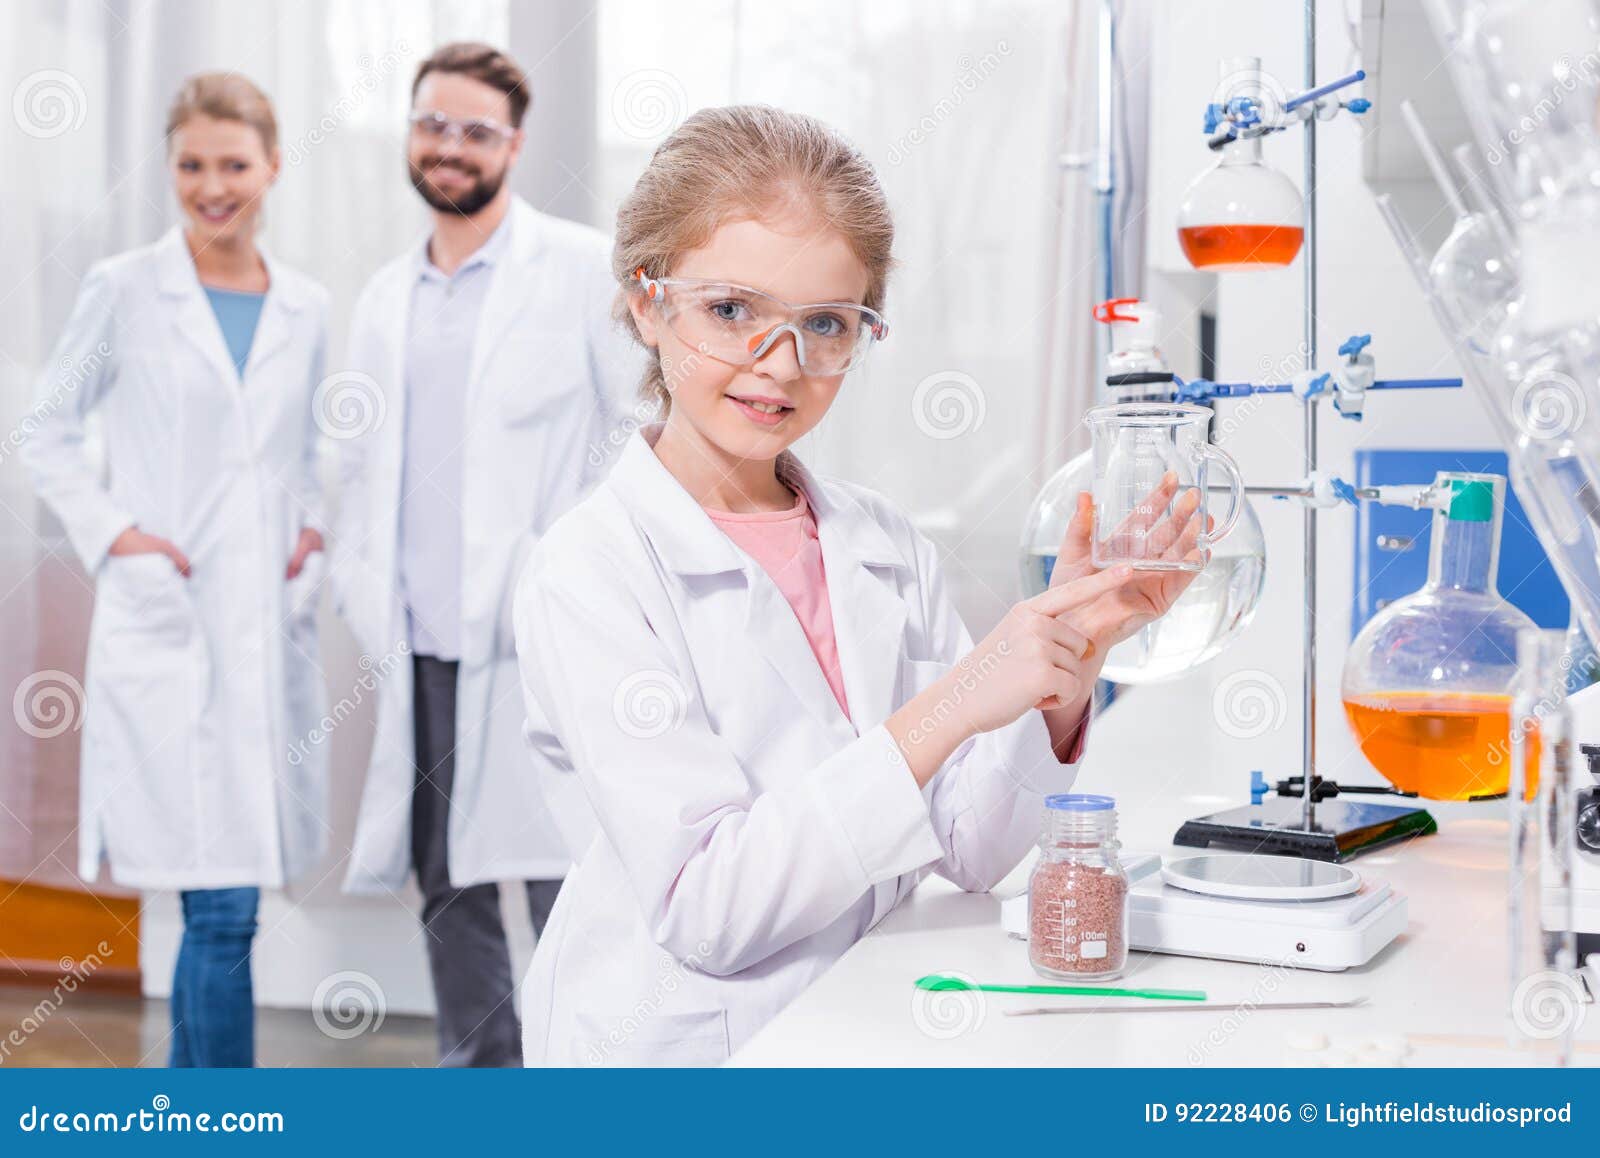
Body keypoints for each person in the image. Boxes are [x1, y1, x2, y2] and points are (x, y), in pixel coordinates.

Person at [512, 105, 1207, 1066]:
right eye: (731, 311)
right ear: (647, 303)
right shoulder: (590, 571)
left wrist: (1066, 669)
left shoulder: (879, 542)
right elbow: (710, 907)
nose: (780, 362)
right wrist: (960, 698)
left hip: (867, 1031)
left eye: (826, 324)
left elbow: (969, 848)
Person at [333, 42, 639, 1067]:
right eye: (432, 125)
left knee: (569, 872)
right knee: (446, 880)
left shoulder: (576, 269)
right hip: (420, 636)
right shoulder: (385, 296)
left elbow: (639, 430)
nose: (449, 148)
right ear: (410, 133)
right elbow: (357, 461)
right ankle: (484, 1082)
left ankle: (588, 1074)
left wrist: (567, 564)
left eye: (474, 130)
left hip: (540, 637)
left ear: (512, 142)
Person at [23, 73, 330, 1068]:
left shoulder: (307, 307)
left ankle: (192, 1112)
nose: (211, 185)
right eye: (191, 165)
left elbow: (319, 449)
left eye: (233, 165)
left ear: (272, 168)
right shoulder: (124, 288)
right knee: (222, 906)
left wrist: (312, 529)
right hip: (170, 626)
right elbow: (45, 429)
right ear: (170, 169)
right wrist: (118, 534)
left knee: (226, 907)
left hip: (259, 632)